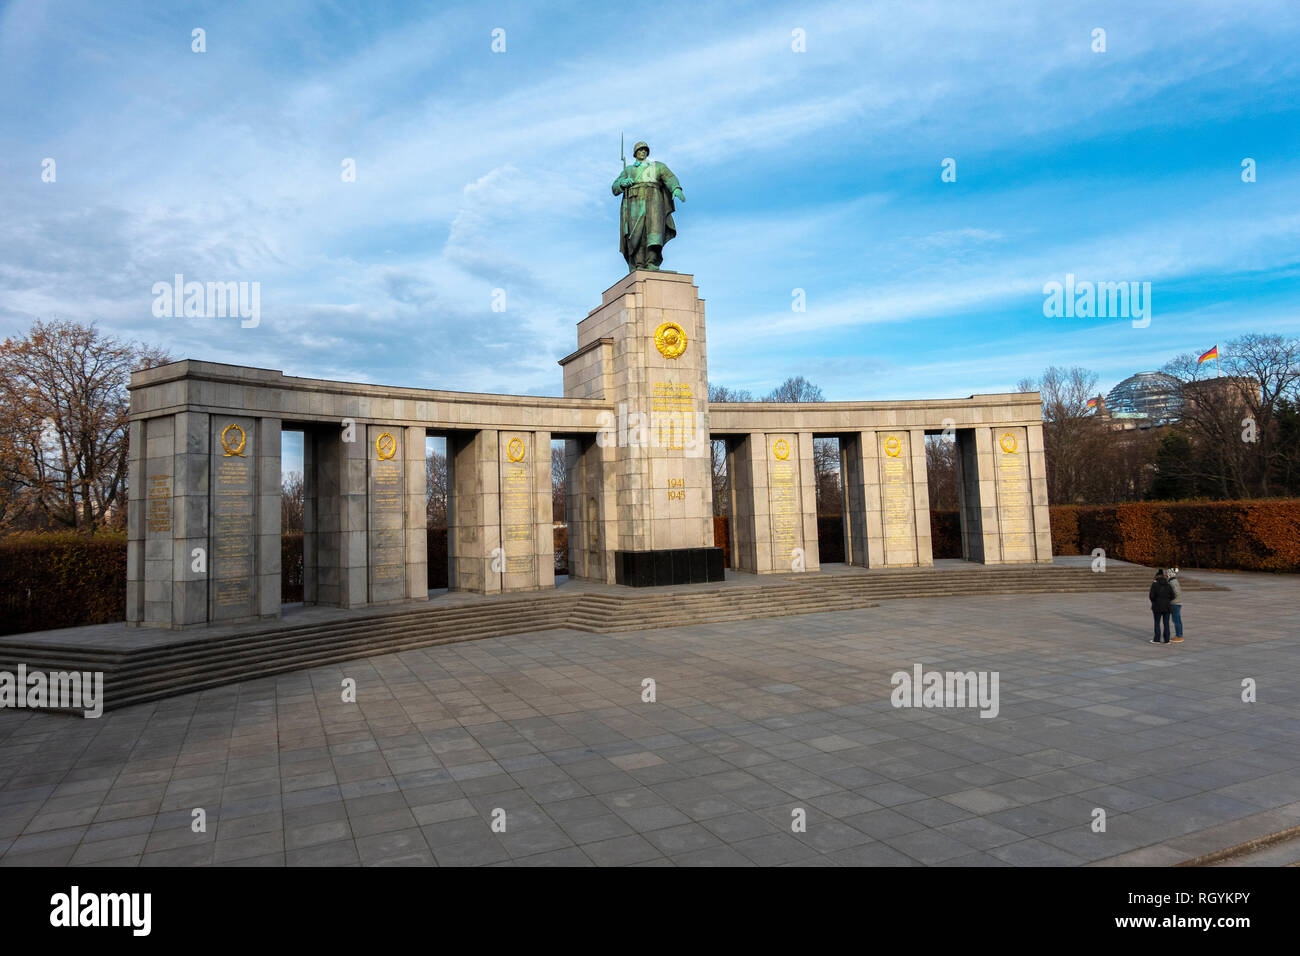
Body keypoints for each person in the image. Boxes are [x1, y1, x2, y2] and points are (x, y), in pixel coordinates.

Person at [612, 141, 685, 272]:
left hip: (654, 200)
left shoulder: (658, 166)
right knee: (636, 234)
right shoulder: (628, 170)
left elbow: (670, 178)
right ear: (635, 153)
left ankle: (652, 262)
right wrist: (623, 183)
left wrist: (676, 188)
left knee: (654, 232)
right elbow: (615, 188)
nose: (643, 152)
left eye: (645, 150)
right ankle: (639, 264)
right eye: (640, 150)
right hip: (635, 201)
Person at [1148, 569, 1173, 644]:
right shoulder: (1168, 584)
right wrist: (1167, 600)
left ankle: (1157, 639)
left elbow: (1151, 596)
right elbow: (1173, 596)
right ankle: (1167, 640)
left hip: (1157, 606)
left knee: (1157, 623)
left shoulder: (1154, 585)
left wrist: (1154, 601)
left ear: (1156, 577)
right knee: (1166, 624)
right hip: (1167, 607)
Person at [1168, 567, 1184, 642]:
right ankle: (1179, 635)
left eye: (1167, 573)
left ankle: (1179, 636)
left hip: (1175, 603)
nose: (1166, 575)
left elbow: (1176, 592)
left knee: (1176, 620)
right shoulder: (1173, 581)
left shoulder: (1172, 582)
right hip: (1177, 602)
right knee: (1177, 619)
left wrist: (1170, 598)